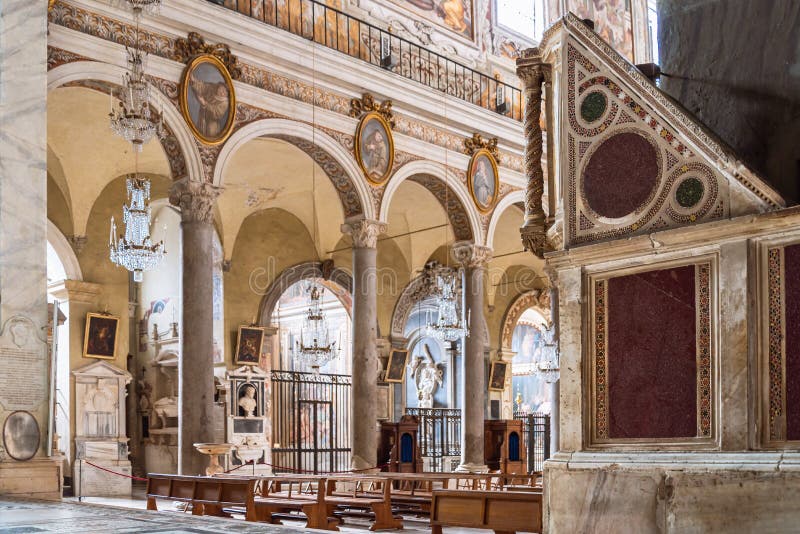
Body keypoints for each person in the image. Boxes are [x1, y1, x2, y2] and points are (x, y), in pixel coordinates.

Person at [189, 73, 229, 138]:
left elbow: (217, 113)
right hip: (202, 118)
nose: (222, 92)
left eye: (224, 92)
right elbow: (203, 87)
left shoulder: (224, 103)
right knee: (199, 133)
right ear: (219, 87)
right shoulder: (212, 89)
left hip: (212, 124)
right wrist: (193, 81)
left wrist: (205, 103)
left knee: (209, 135)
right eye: (221, 89)